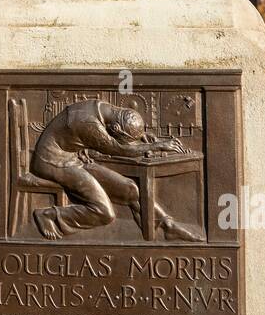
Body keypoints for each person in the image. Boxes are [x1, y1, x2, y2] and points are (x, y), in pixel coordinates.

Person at [30, 99, 202, 242]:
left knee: (130, 189)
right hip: (53, 162)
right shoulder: (88, 122)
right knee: (105, 213)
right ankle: (48, 215)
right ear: (115, 129)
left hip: (74, 158)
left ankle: (167, 226)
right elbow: (118, 149)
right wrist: (157, 146)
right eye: (124, 138)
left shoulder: (103, 109)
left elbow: (117, 137)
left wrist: (141, 135)